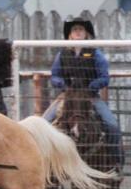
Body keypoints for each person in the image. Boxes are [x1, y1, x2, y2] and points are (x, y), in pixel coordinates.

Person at [43, 17, 124, 168]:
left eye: (81, 29)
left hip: (91, 97)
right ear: (70, 35)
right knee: (44, 123)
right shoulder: (62, 54)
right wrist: (61, 84)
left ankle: (116, 162)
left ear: (86, 34)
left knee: (112, 125)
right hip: (66, 96)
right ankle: (43, 164)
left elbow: (104, 77)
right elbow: (55, 75)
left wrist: (91, 87)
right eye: (75, 30)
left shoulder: (95, 53)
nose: (78, 32)